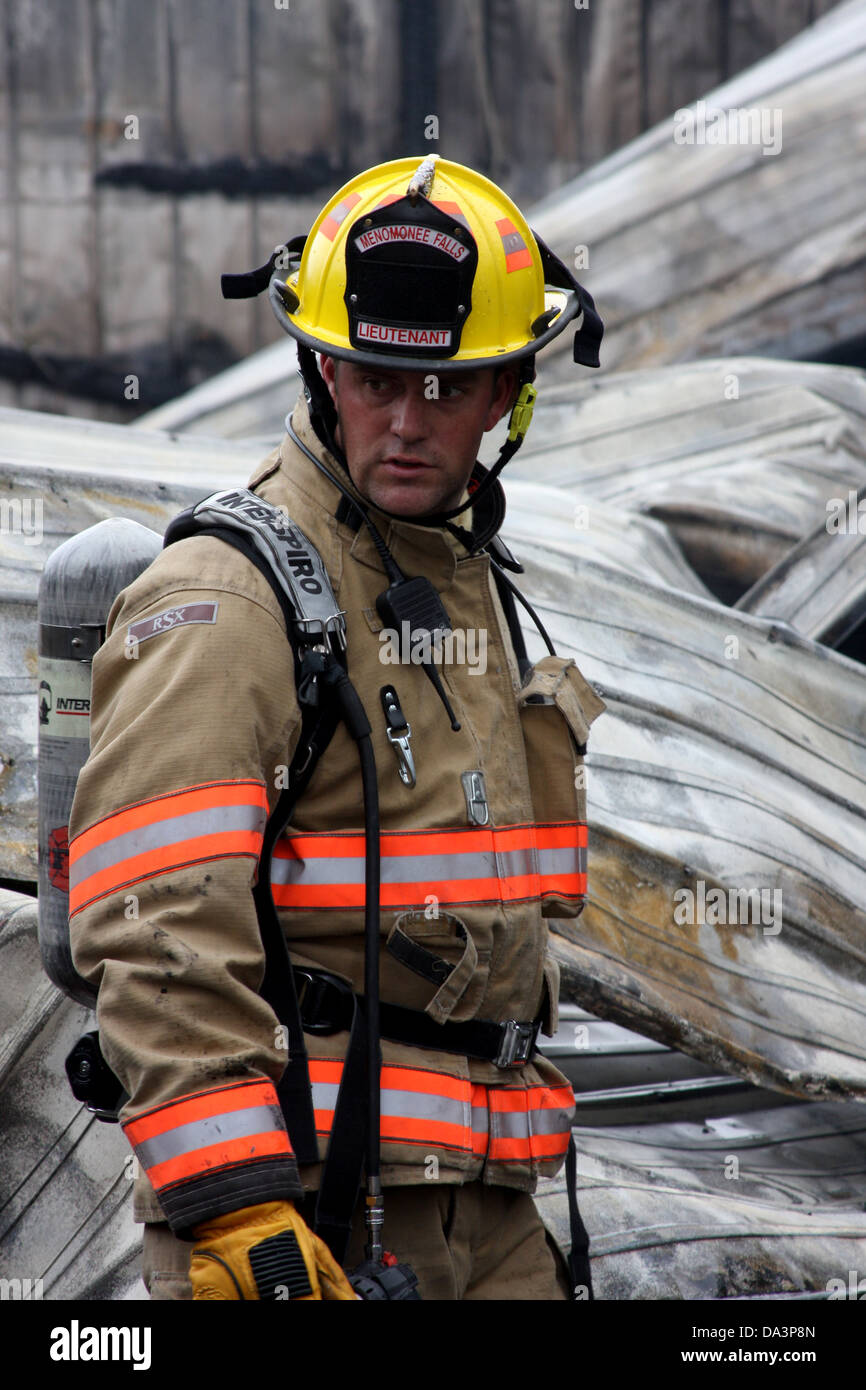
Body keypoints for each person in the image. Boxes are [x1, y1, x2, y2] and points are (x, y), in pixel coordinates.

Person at [68, 154, 605, 1300]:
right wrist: (239, 1209)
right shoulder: (231, 597)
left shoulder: (464, 577)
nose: (406, 425)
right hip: (308, 1214)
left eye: (446, 390)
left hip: (485, 1203)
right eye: (372, 380)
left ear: (512, 390)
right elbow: (155, 918)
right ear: (319, 365)